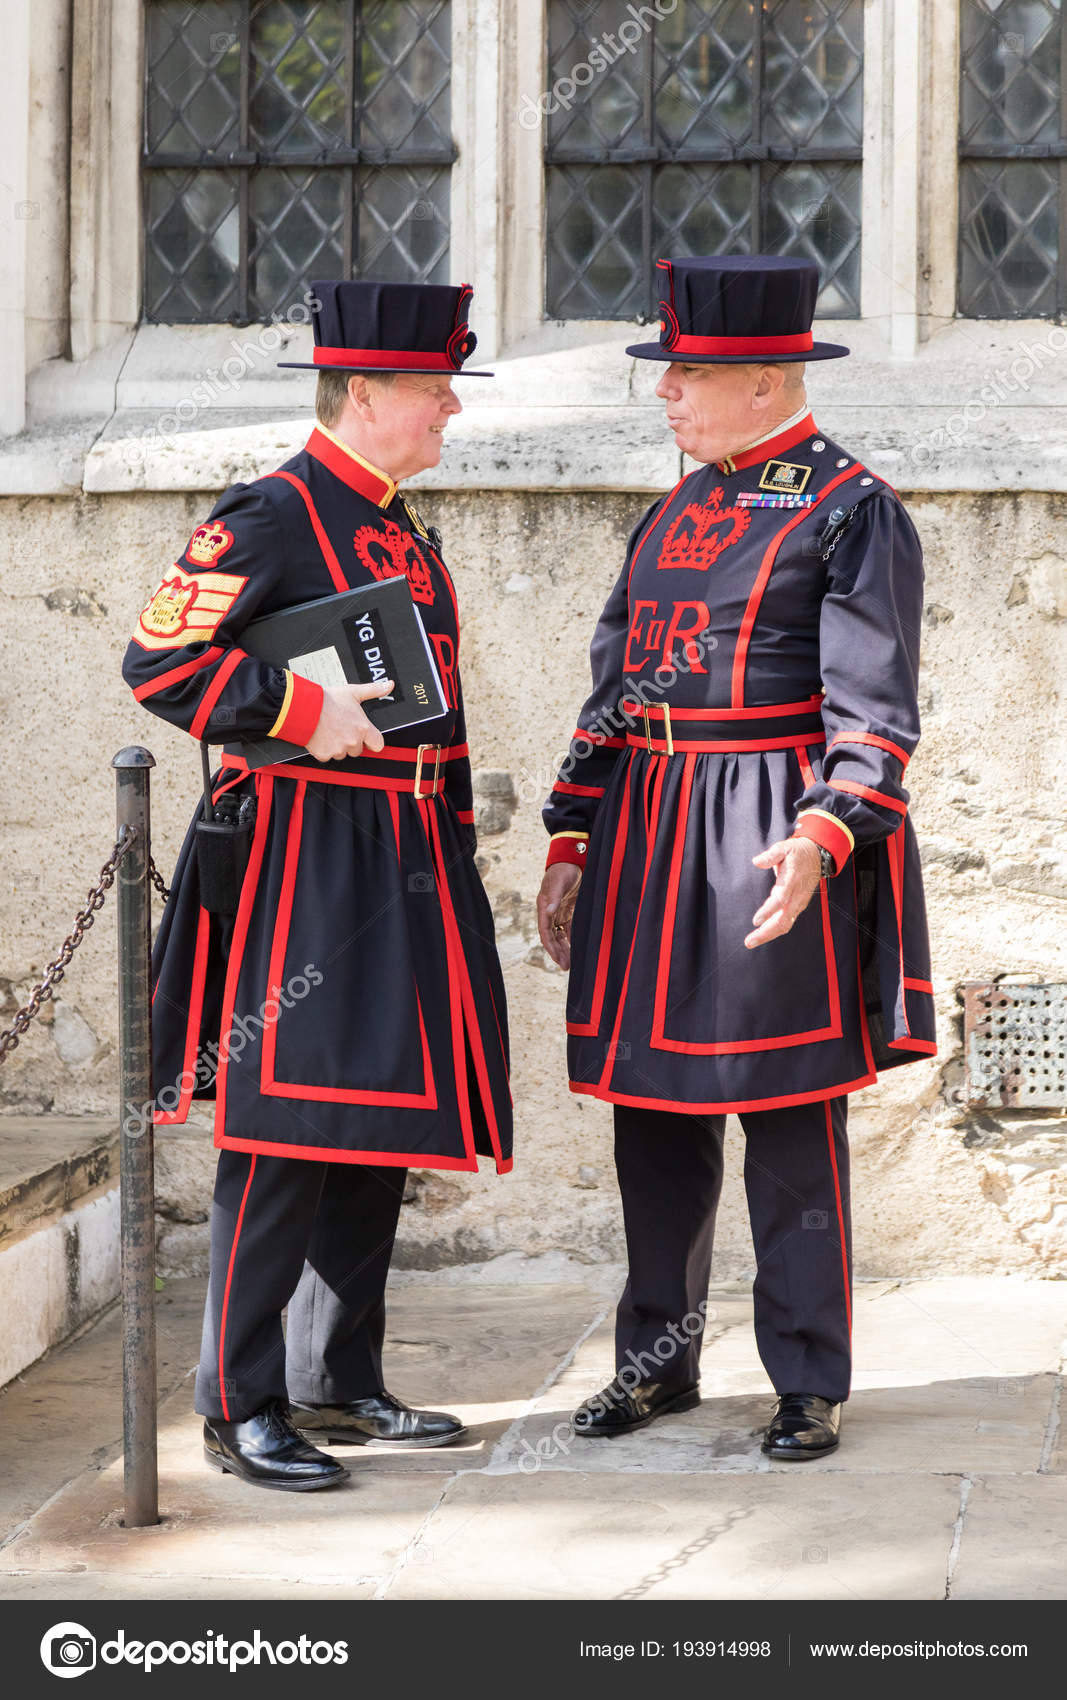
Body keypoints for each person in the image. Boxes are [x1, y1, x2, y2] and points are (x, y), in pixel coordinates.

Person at [536, 254, 935, 1461]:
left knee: (786, 1113)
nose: (662, 393)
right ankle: (653, 1365)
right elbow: (612, 682)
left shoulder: (851, 509)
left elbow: (872, 710)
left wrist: (822, 837)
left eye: (682, 375)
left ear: (760, 381)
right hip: (648, 829)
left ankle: (806, 1379)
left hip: (768, 825)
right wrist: (569, 833)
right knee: (651, 1112)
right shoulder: (669, 506)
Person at [123, 279, 512, 1491]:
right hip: (306, 854)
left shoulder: (401, 521)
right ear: (363, 392)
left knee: (370, 1127)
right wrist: (299, 707)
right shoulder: (272, 513)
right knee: (287, 1129)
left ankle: (337, 1378)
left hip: (401, 853)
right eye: (433, 388)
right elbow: (157, 658)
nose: (449, 405)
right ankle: (238, 1406)